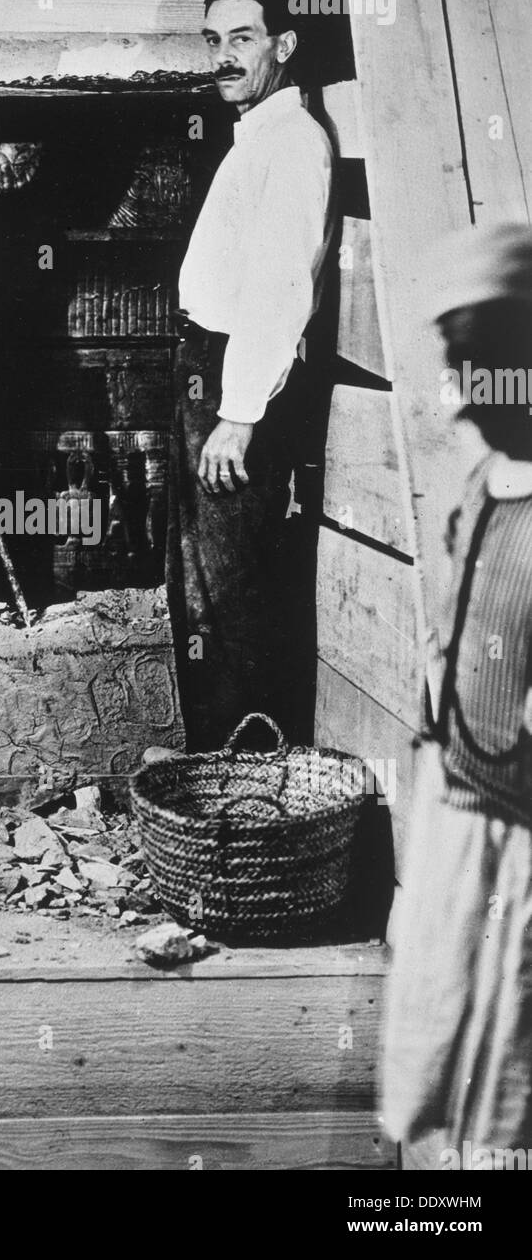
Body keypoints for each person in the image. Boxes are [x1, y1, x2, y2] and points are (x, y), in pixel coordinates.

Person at [381, 223, 532, 1171]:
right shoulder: (480, 486)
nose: (472, 381)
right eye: (461, 358)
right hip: (462, 820)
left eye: (492, 355)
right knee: (451, 1064)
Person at [166, 0, 335, 749]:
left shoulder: (293, 142)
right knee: (202, 584)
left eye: (242, 38)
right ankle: (214, 772)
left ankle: (242, 785)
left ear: (283, 45)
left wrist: (236, 417)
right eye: (213, 40)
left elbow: (279, 288)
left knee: (230, 596)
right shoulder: (257, 137)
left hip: (238, 386)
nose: (224, 56)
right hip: (213, 370)